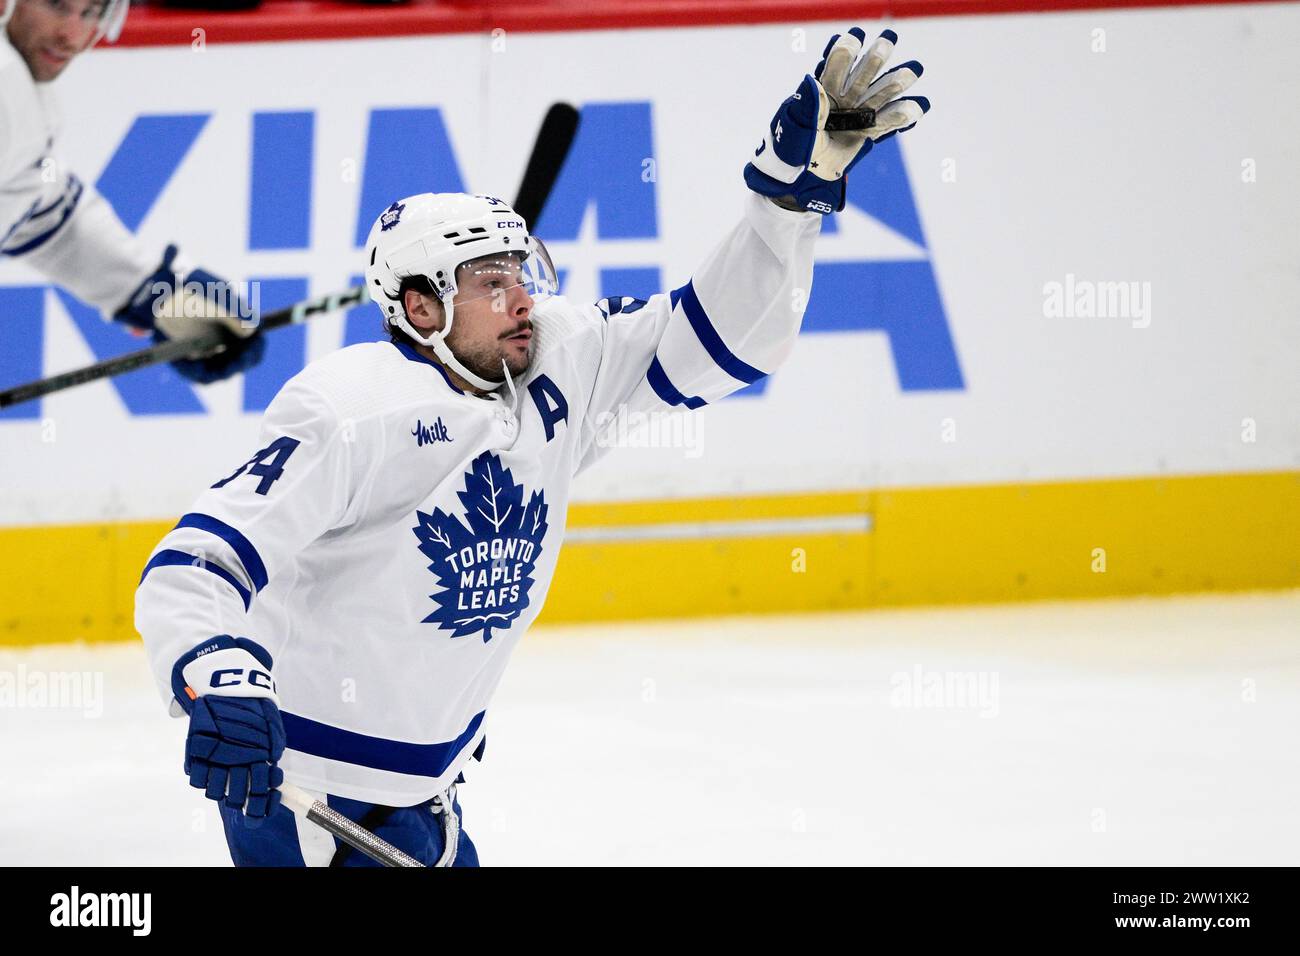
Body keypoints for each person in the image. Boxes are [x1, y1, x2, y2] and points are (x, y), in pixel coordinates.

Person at [135, 26, 930, 866]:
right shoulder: (348, 410)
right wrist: (215, 668)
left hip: (427, 796)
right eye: (491, 281)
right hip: (303, 798)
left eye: (525, 272)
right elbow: (194, 564)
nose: (524, 297)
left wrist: (787, 201)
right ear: (421, 307)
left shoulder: (559, 365)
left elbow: (728, 339)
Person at [1, 0, 262, 383]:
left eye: (91, 13)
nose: (72, 35)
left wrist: (155, 292)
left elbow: (41, 217)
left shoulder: (23, 99)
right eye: (56, 5)